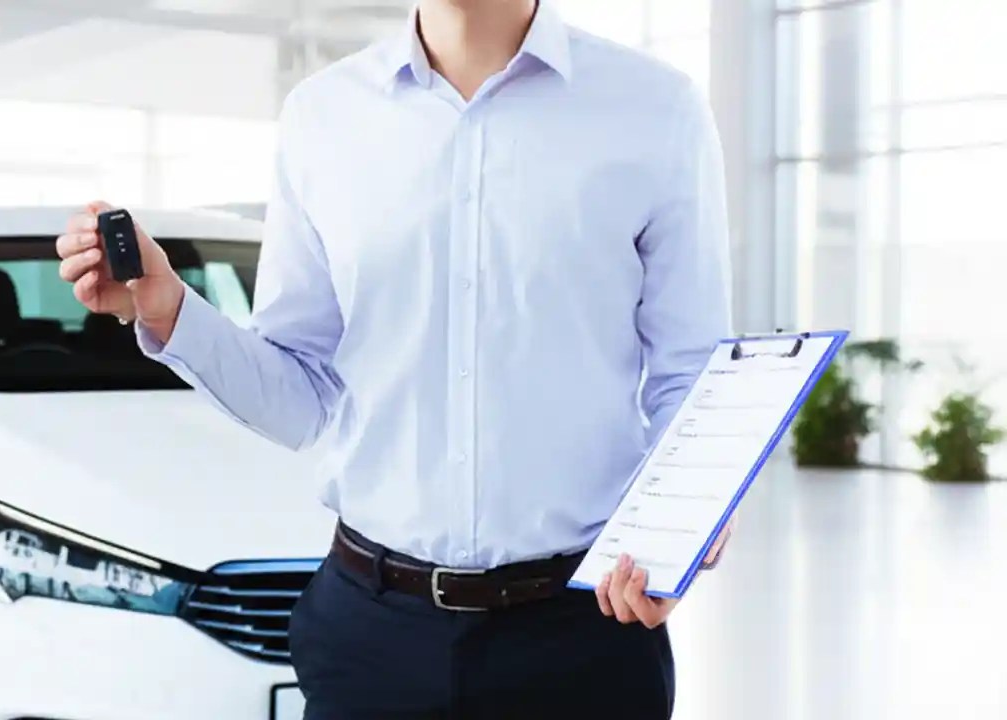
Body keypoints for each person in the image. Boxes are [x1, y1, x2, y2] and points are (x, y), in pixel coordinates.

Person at [57, 0, 732, 716]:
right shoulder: (324, 117)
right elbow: (301, 396)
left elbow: (691, 376)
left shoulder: (655, 110)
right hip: (371, 636)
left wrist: (678, 545)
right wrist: (169, 311)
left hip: (583, 637)